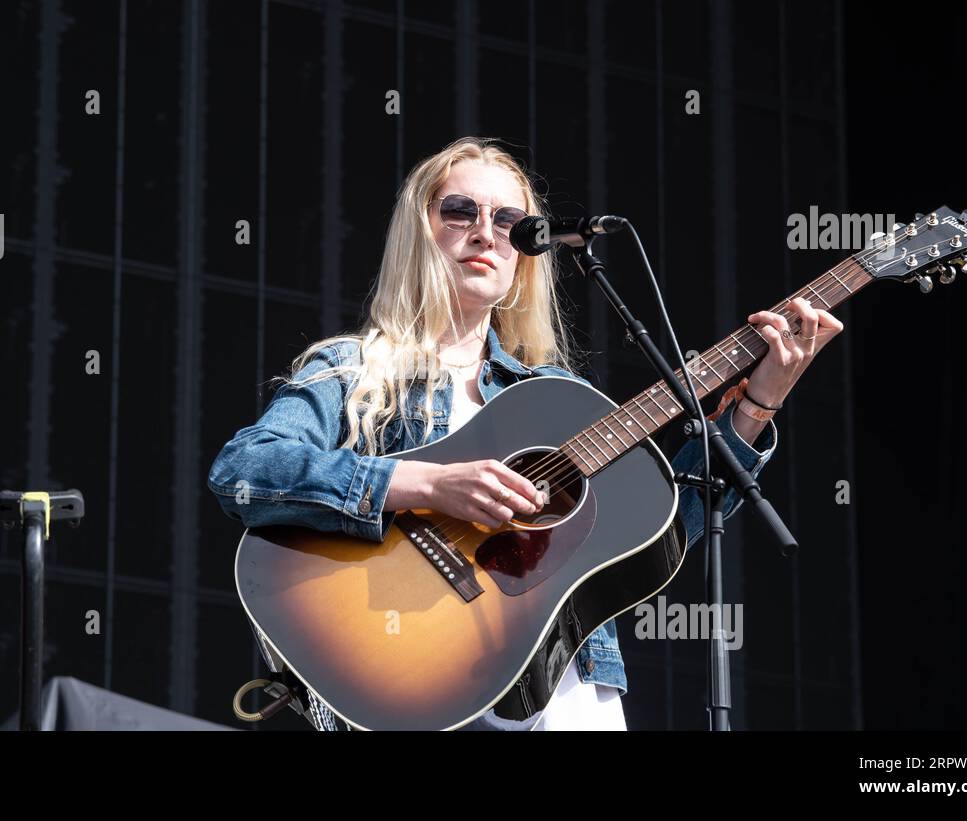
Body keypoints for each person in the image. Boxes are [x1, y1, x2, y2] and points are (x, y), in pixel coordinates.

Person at [206, 136, 843, 731]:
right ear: (417, 232)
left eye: (510, 223)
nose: (486, 232)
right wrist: (429, 483)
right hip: (419, 668)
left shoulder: (552, 398)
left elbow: (666, 528)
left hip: (570, 686)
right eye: (460, 211)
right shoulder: (352, 368)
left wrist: (757, 406)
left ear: (525, 255)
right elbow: (245, 471)